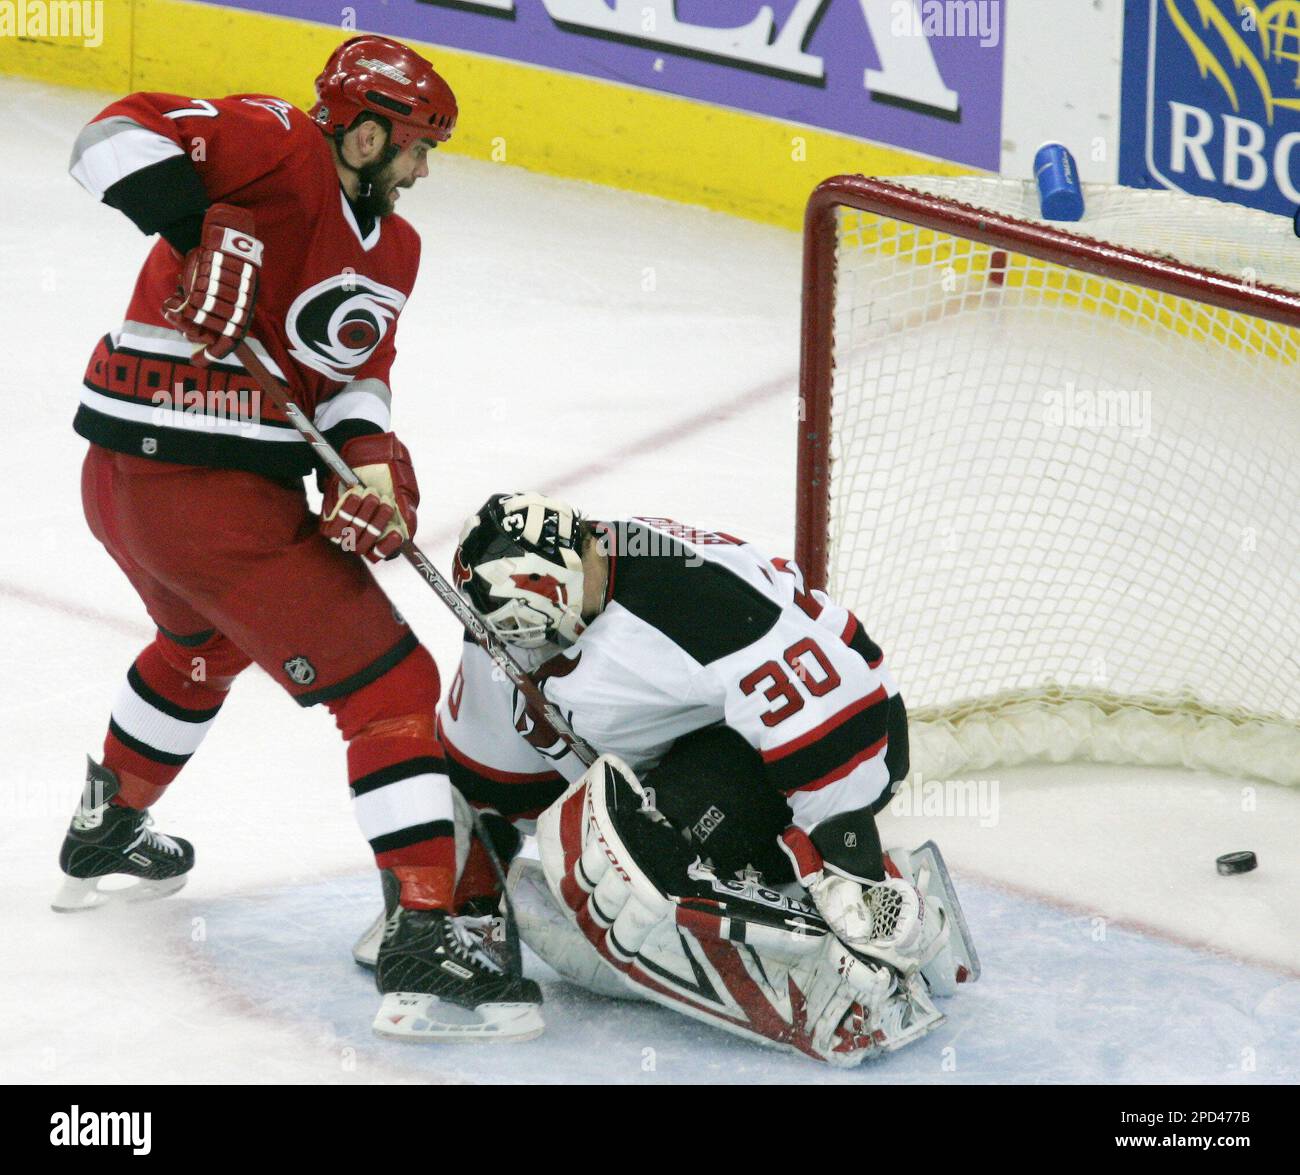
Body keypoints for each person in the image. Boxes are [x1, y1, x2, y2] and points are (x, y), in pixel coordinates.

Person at [56, 35, 540, 1041]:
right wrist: (195, 230)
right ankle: (424, 931)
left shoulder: (396, 249)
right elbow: (108, 136)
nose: (421, 168)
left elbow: (350, 380)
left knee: (203, 645)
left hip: (152, 489)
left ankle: (105, 827)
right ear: (363, 129)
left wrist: (372, 474)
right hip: (196, 486)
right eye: (412, 146)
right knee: (393, 694)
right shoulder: (272, 140)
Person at [362, 492, 979, 1064]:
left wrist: (853, 866)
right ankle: (766, 891)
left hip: (844, 733)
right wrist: (452, 903)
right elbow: (482, 778)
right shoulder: (502, 624)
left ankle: (841, 958)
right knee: (588, 862)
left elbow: (839, 710)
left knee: (623, 852)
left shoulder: (687, 600)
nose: (529, 652)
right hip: (699, 749)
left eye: (535, 633)